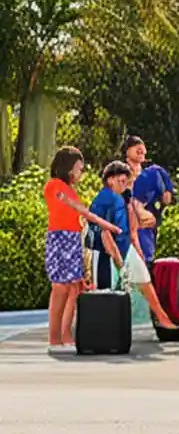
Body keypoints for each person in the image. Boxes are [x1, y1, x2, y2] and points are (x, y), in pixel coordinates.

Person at [86, 160, 179, 332]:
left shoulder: (123, 200)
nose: (125, 186)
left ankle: (162, 318)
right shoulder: (105, 200)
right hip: (107, 251)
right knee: (106, 289)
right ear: (110, 180)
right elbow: (104, 232)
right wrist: (117, 259)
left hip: (125, 247)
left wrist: (138, 255)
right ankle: (103, 329)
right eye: (122, 181)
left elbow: (132, 232)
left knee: (144, 279)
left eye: (127, 182)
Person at [42, 146, 121, 355]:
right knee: (60, 287)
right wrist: (104, 223)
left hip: (73, 238)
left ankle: (66, 336)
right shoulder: (53, 186)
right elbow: (76, 208)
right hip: (60, 238)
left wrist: (104, 225)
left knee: (73, 289)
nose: (81, 173)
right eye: (79, 169)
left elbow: (80, 212)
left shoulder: (71, 190)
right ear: (67, 168)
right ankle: (54, 338)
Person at [120, 135, 175, 265]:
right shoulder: (119, 173)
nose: (140, 149)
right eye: (135, 146)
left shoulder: (153, 172)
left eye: (142, 146)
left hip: (147, 227)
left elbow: (167, 199)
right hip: (127, 225)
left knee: (146, 261)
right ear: (126, 152)